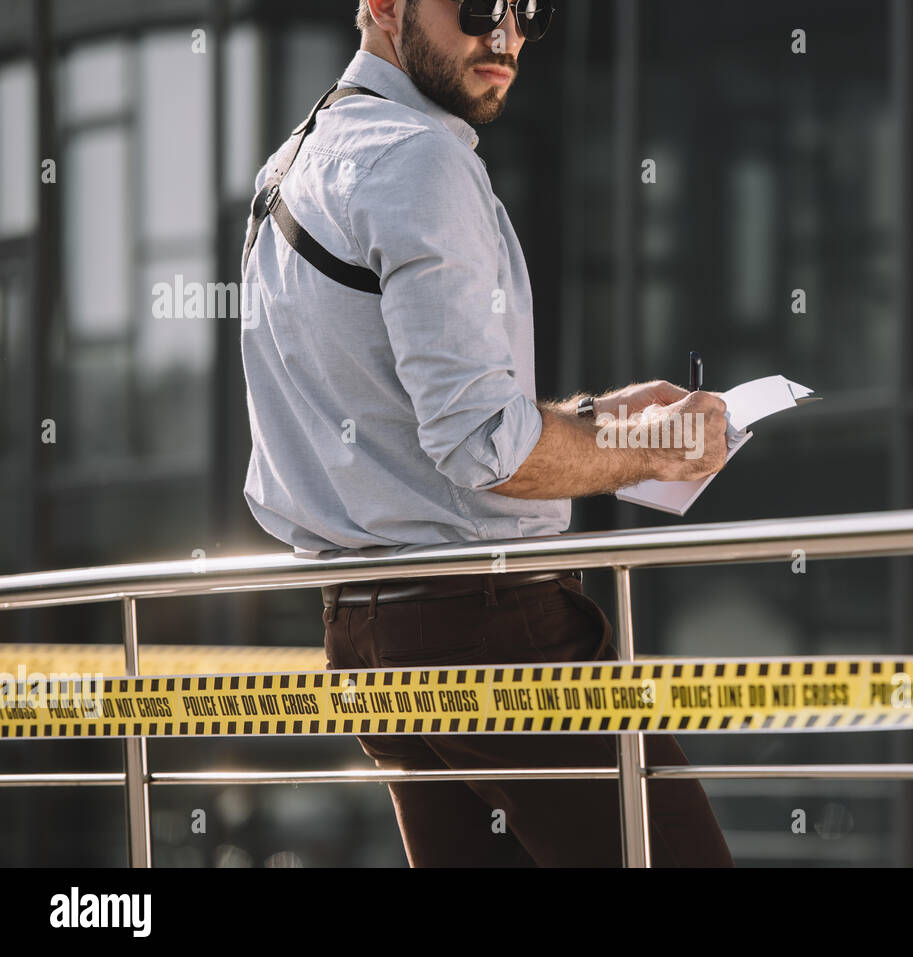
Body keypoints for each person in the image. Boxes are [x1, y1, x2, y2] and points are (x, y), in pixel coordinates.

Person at [238, 0, 734, 866]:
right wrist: (658, 446)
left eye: (525, 15)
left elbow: (421, 424)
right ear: (385, 7)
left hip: (364, 639)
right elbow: (480, 449)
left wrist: (604, 419)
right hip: (491, 631)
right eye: (475, 9)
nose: (503, 38)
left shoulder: (291, 164)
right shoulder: (419, 160)